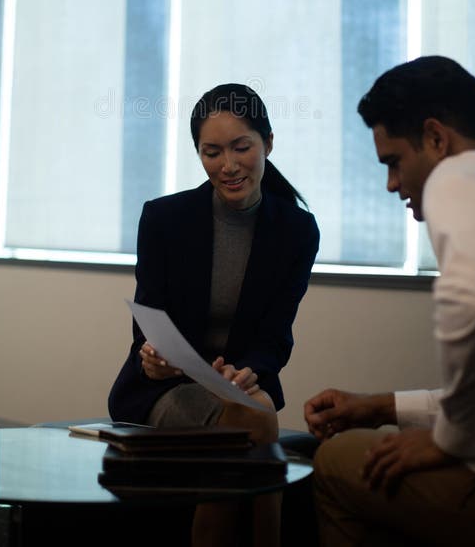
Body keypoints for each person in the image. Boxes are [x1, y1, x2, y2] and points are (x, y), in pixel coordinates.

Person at [303, 55, 475, 547]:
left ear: (436, 139)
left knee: (336, 461)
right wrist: (378, 407)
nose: (392, 185)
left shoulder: (457, 176)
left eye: (393, 162)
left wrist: (450, 441)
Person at [109, 82, 320, 547]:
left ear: (268, 143)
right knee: (255, 418)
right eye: (212, 152)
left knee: (250, 410)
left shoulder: (296, 230)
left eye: (241, 147)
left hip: (240, 386)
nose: (228, 165)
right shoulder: (164, 219)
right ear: (199, 154)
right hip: (166, 388)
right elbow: (148, 321)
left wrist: (250, 370)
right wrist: (153, 358)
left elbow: (276, 335)